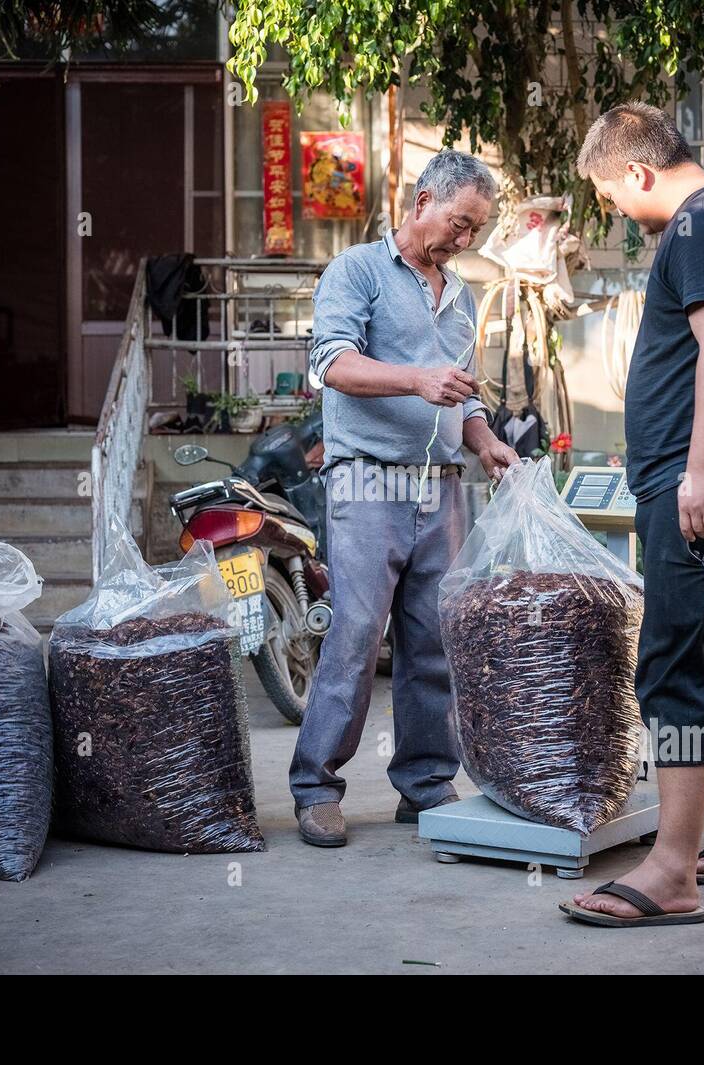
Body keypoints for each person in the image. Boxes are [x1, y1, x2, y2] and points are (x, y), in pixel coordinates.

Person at [562, 102, 704, 927]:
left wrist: (697, 471)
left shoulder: (701, 224)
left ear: (638, 174)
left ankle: (671, 871)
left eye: (612, 196)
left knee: (676, 673)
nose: (617, 211)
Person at [289, 150, 520, 847]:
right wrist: (418, 380)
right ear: (422, 202)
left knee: (432, 641)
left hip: (441, 488)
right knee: (357, 634)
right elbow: (331, 363)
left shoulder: (463, 297)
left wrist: (483, 439)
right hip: (365, 481)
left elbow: (459, 396)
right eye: (459, 222)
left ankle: (424, 785)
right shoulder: (356, 271)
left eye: (476, 231)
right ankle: (316, 786)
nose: (465, 240)